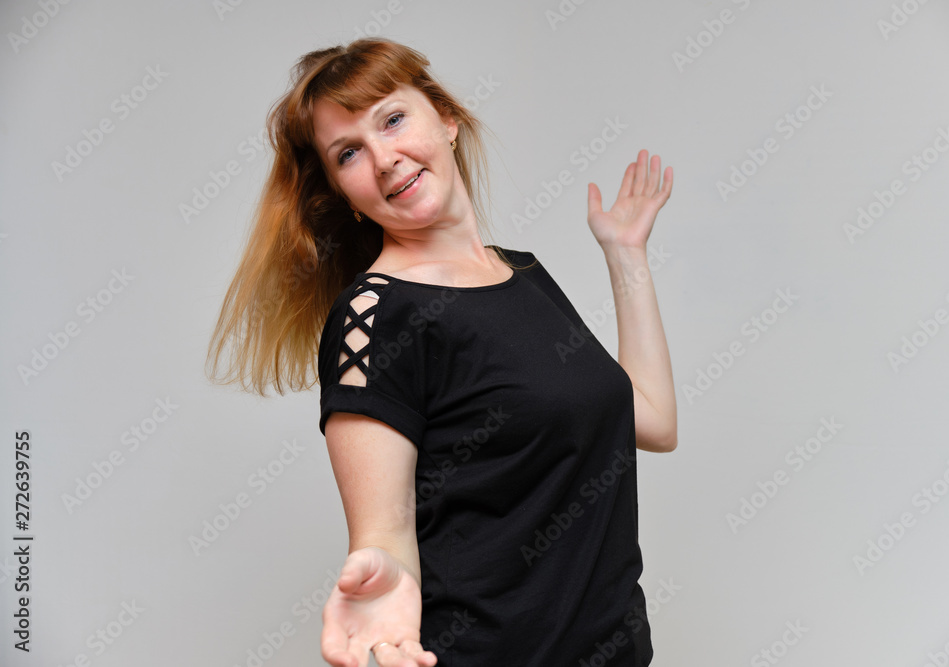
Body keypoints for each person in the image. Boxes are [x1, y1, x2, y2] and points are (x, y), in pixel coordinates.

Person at [205, 37, 677, 667]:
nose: (383, 158)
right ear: (342, 192)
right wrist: (383, 581)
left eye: (392, 119)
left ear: (446, 118)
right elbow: (383, 533)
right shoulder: (371, 318)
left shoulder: (522, 274)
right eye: (348, 153)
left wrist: (626, 256)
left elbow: (651, 420)